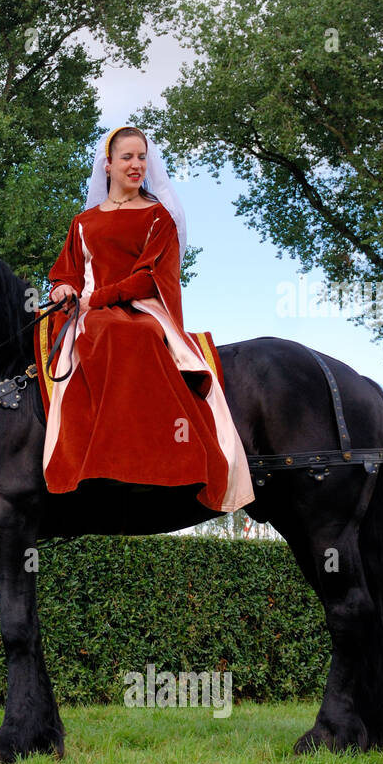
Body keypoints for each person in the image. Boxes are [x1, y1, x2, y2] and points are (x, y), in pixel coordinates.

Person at [42, 125, 253, 513]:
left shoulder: (159, 218)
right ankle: (92, 457)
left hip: (141, 306)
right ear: (108, 165)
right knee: (90, 332)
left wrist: (99, 298)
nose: (136, 164)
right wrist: (62, 290)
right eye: (127, 157)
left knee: (124, 333)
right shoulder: (83, 222)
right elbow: (67, 271)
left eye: (142, 157)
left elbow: (151, 277)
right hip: (89, 309)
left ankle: (155, 460)